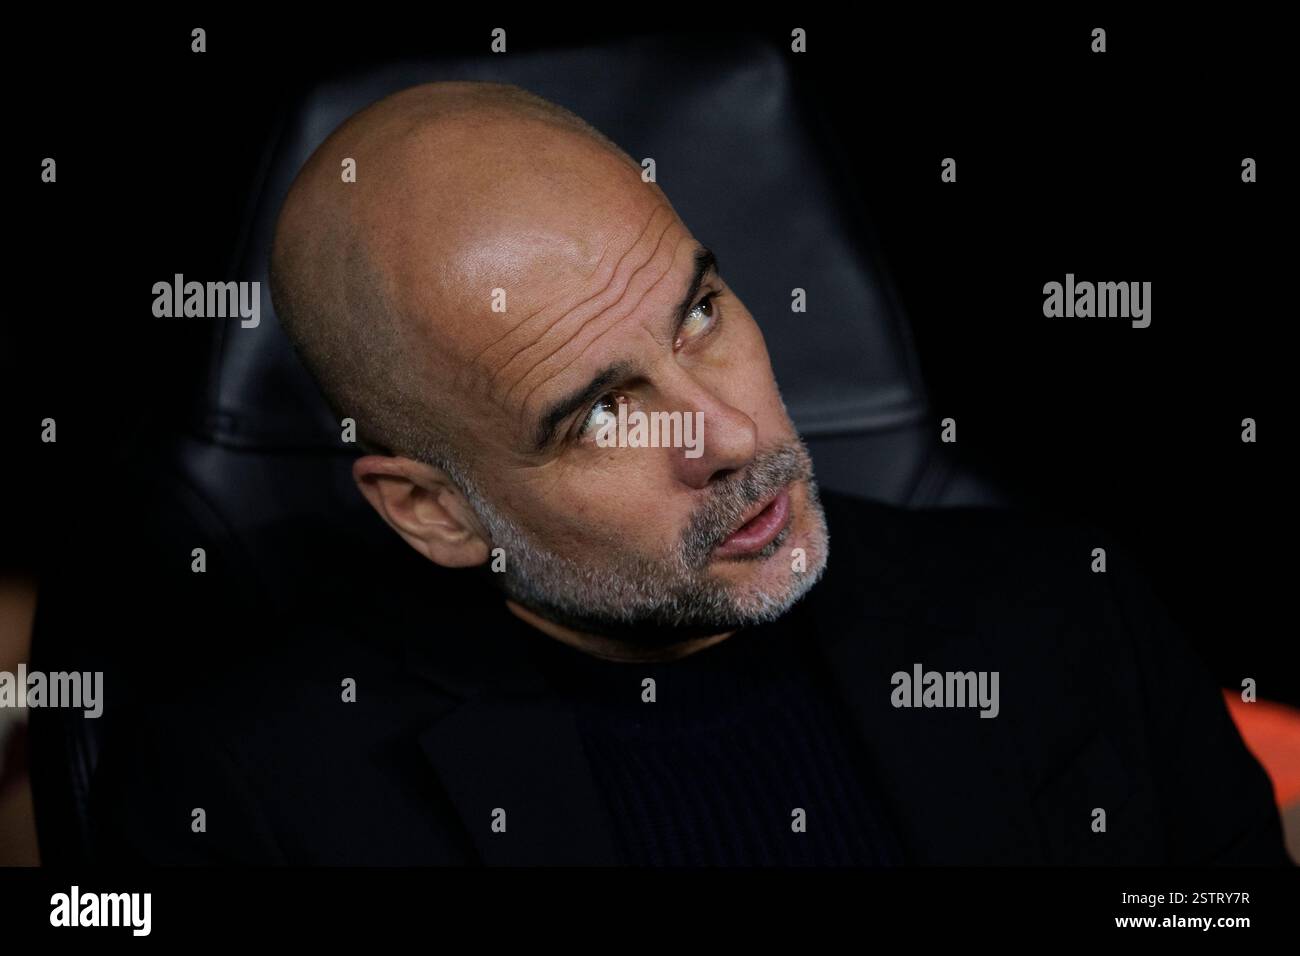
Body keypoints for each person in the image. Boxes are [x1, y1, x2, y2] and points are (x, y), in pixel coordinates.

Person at [90, 81, 1290, 865]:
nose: (725, 433)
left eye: (701, 312)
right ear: (435, 510)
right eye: (605, 410)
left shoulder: (1058, 607)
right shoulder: (257, 803)